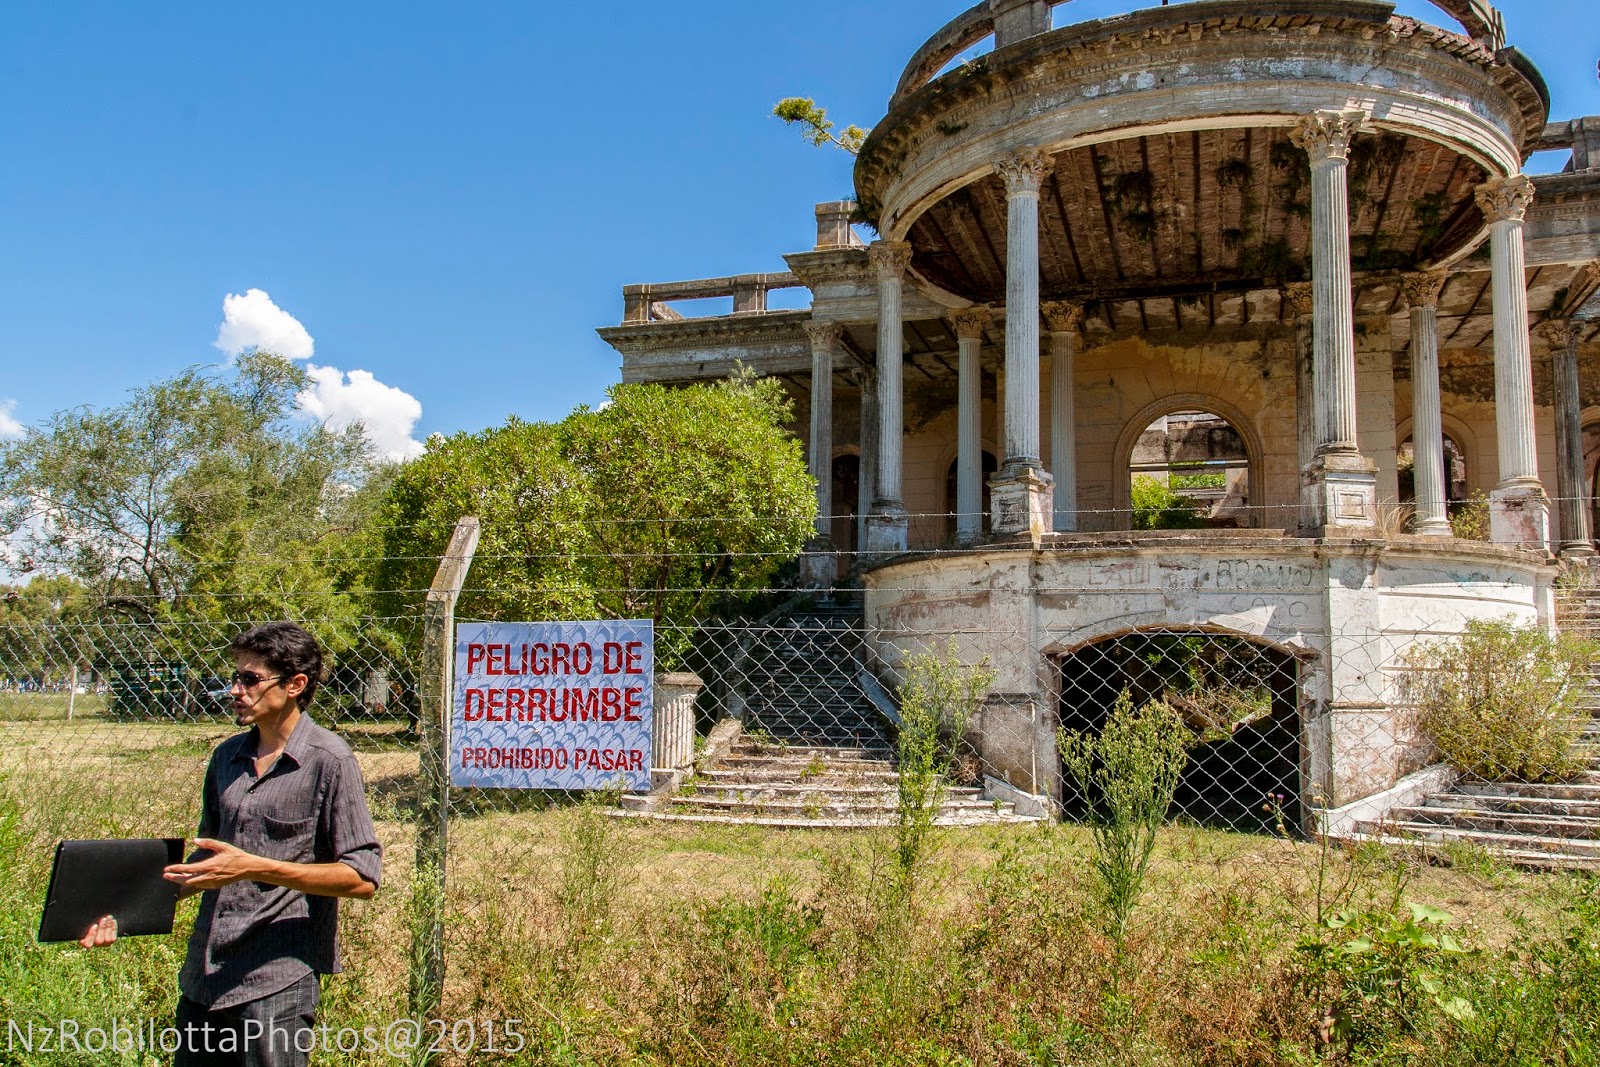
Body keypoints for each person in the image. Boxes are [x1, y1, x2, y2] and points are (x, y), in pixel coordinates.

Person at [81, 621, 382, 1066]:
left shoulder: (330, 761)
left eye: (250, 679)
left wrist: (255, 867)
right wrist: (123, 912)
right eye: (234, 677)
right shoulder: (226, 757)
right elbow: (209, 860)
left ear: (295, 684)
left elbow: (361, 877)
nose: (235, 690)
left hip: (275, 983)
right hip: (205, 976)